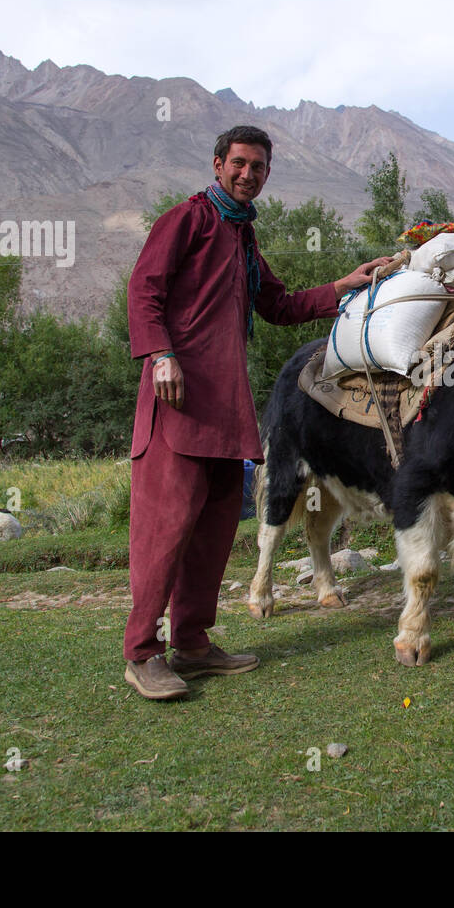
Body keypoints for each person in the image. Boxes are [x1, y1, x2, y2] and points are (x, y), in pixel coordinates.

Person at [124, 124, 391, 700]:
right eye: (239, 163)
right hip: (176, 402)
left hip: (225, 407)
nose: (249, 174)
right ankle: (143, 654)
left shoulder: (242, 238)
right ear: (218, 163)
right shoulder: (187, 220)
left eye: (259, 167)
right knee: (165, 529)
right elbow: (143, 289)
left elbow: (277, 305)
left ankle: (192, 643)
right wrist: (160, 355)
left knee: (214, 529)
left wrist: (343, 286)